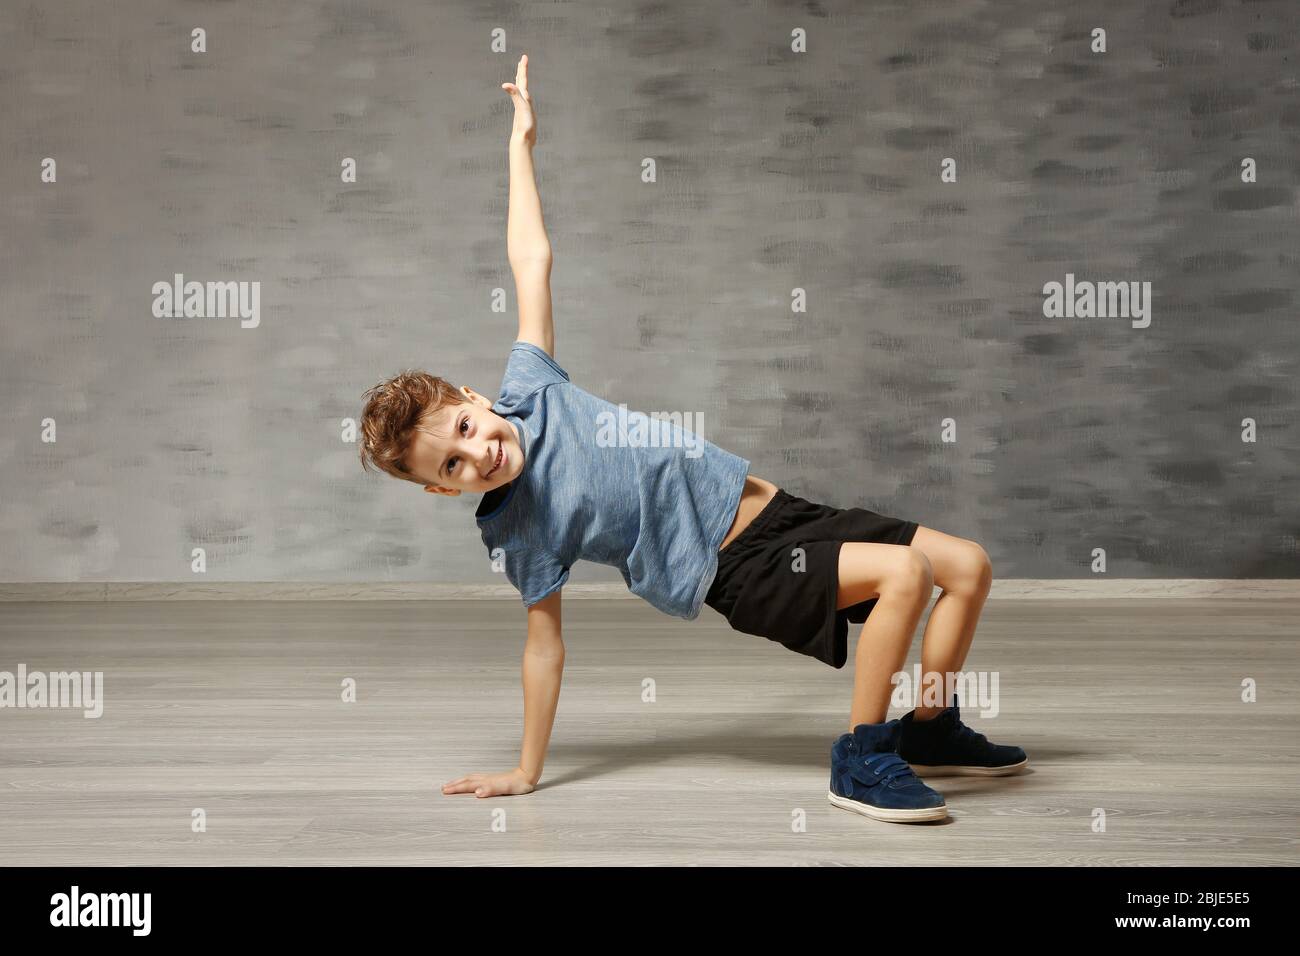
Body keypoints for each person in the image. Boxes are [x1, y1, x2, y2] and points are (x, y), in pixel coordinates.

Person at [359, 55, 1026, 825]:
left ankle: (930, 726)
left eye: (466, 429)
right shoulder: (519, 529)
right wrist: (525, 769)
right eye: (454, 464)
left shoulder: (531, 388)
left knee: (968, 566)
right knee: (906, 574)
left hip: (781, 514)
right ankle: (862, 760)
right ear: (445, 489)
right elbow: (544, 646)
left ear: (475, 400)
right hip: (735, 567)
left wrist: (521, 146)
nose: (479, 453)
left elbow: (532, 260)